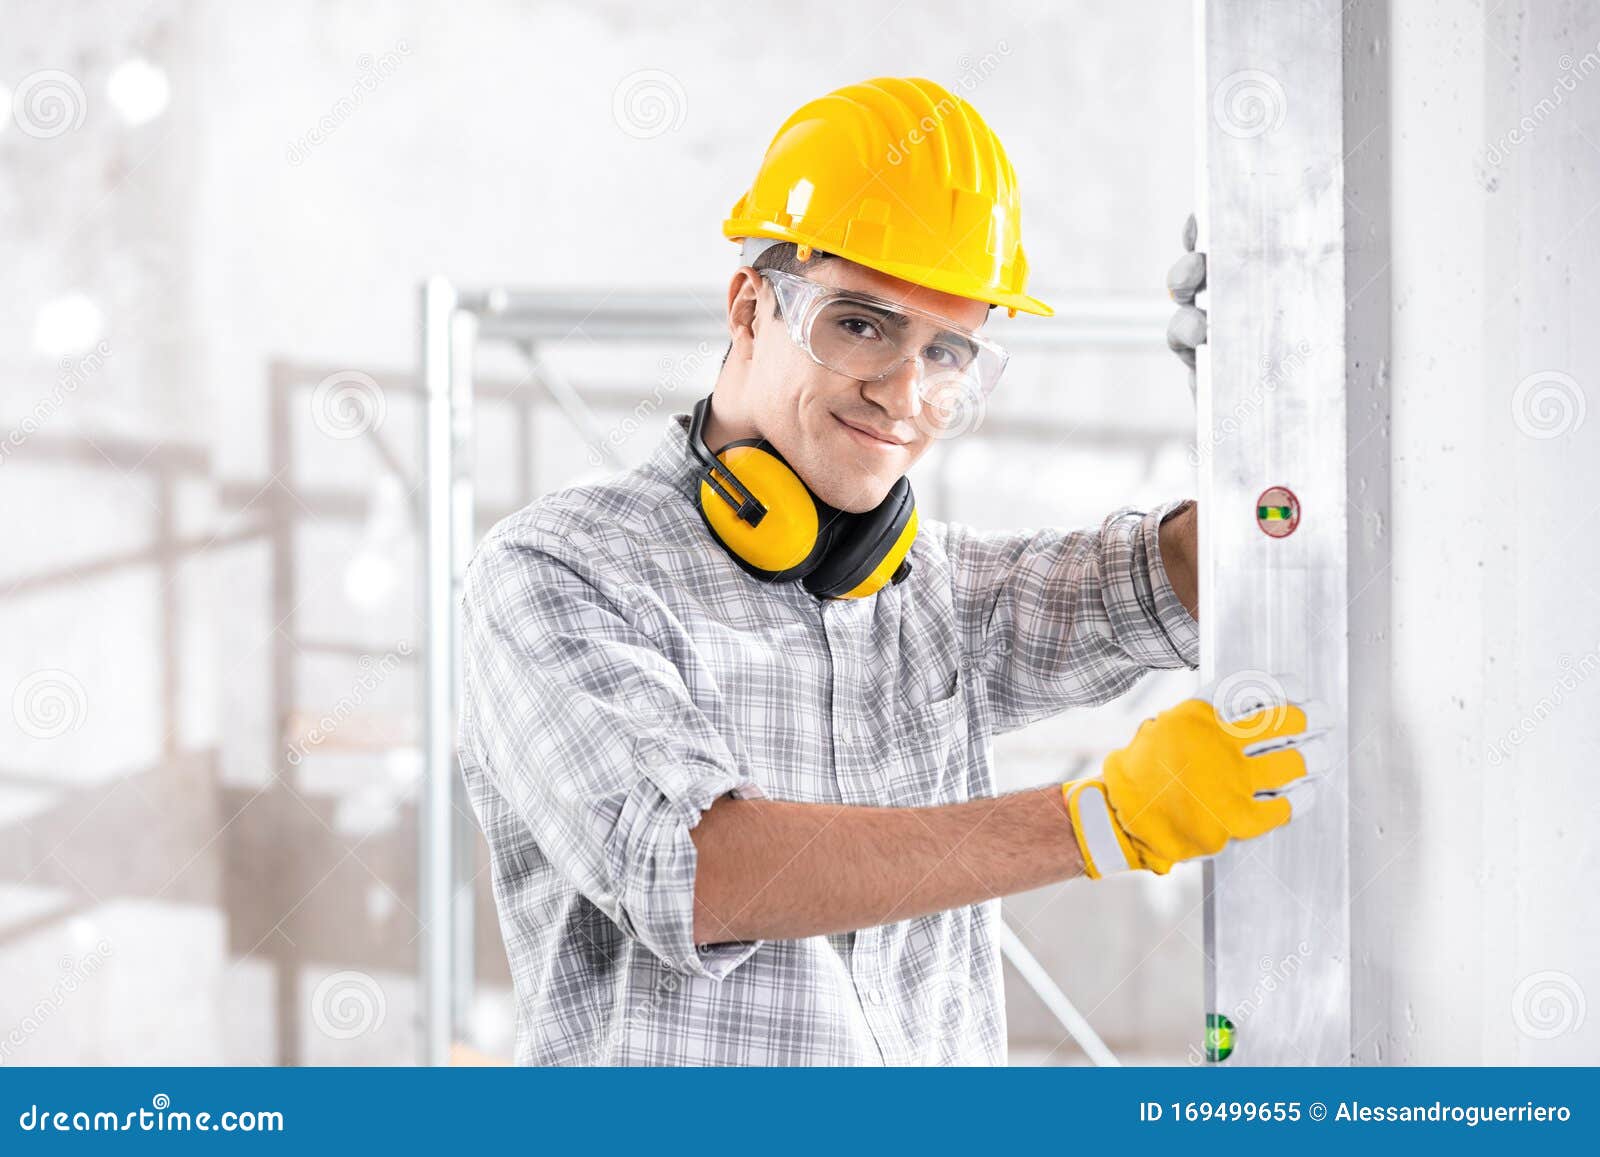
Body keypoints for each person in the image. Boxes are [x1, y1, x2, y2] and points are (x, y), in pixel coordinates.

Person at [458, 76, 1326, 1066]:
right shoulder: (560, 570)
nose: (905, 393)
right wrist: (1096, 822)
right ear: (749, 309)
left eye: (948, 350)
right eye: (860, 325)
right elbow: (693, 873)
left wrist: (1265, 399)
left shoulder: (933, 593)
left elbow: (1186, 575)